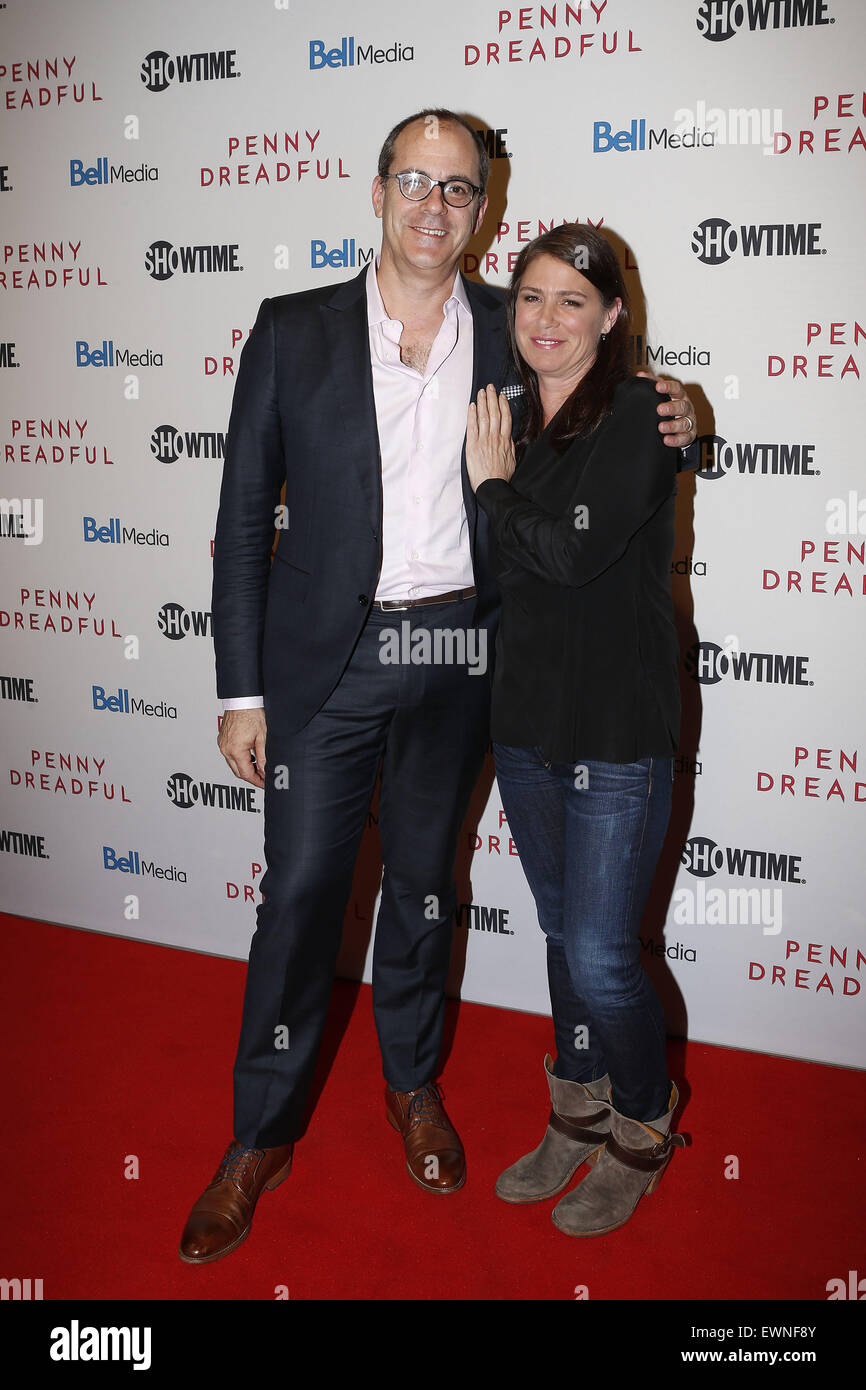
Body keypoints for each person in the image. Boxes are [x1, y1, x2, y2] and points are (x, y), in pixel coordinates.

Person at [179, 113, 697, 1264]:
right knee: (300, 902)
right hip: (325, 665)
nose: (432, 205)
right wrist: (240, 688)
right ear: (376, 193)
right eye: (412, 181)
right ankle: (255, 1137)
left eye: (456, 190)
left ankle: (411, 1088)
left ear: (481, 213)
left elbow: (600, 393)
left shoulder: (511, 335)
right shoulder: (291, 329)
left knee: (422, 888)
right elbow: (236, 524)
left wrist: (682, 412)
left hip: (458, 657)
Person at [465, 223, 686, 1237]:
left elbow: (566, 555)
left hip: (614, 722)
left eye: (569, 300)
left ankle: (642, 1120)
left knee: (601, 953)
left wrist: (493, 491)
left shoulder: (640, 410)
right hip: (525, 719)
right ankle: (578, 1103)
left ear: (609, 317)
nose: (544, 319)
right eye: (529, 298)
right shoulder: (500, 412)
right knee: (560, 934)